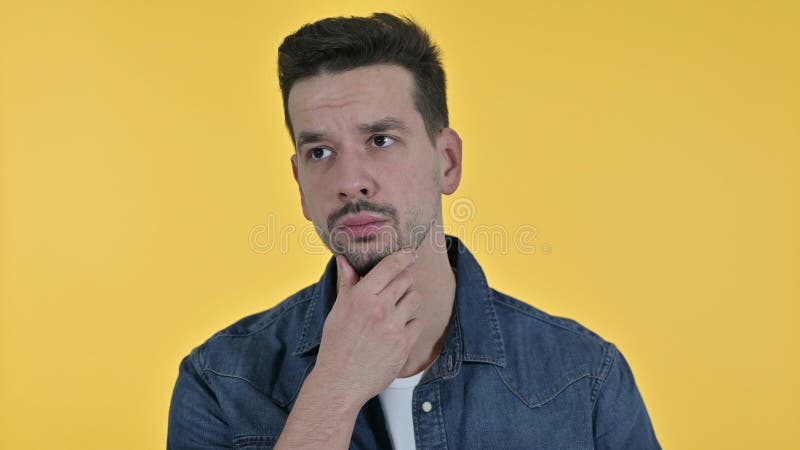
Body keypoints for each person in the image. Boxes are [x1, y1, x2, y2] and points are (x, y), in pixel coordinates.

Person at [167, 13, 660, 449]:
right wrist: (334, 391)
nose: (349, 182)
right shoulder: (219, 379)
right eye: (320, 152)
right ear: (299, 184)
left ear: (447, 162)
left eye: (380, 140)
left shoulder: (585, 377)